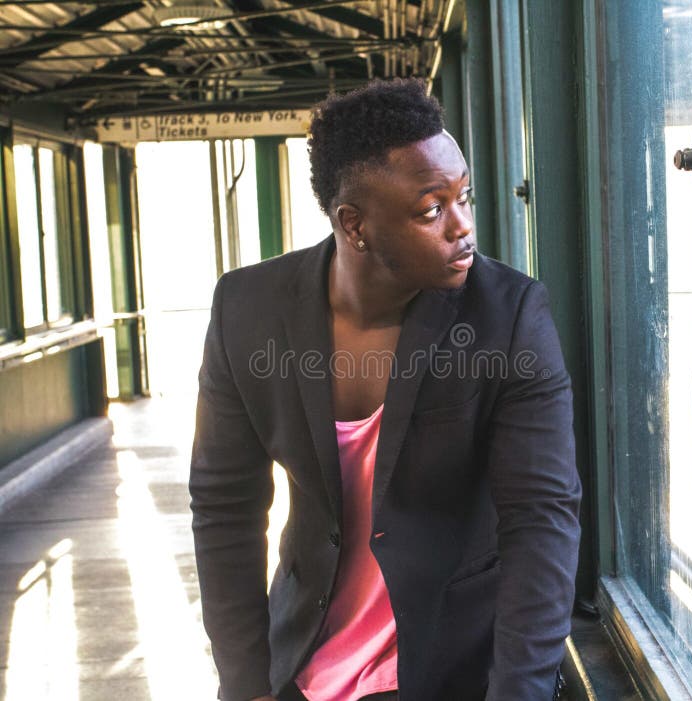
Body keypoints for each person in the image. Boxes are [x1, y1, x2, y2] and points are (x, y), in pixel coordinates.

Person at [189, 78, 581, 701]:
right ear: (355, 224)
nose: (464, 228)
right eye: (432, 209)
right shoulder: (247, 310)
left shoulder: (508, 315)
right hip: (308, 661)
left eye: (465, 197)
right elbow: (225, 507)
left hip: (456, 666)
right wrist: (245, 683)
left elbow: (542, 519)